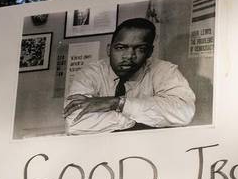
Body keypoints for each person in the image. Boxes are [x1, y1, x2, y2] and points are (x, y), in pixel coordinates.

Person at [63, 18, 196, 134]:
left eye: (140, 49)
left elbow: (184, 113)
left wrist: (117, 103)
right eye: (120, 48)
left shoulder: (165, 71)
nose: (129, 56)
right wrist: (140, 120)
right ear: (109, 49)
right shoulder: (89, 74)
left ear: (149, 52)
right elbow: (74, 123)